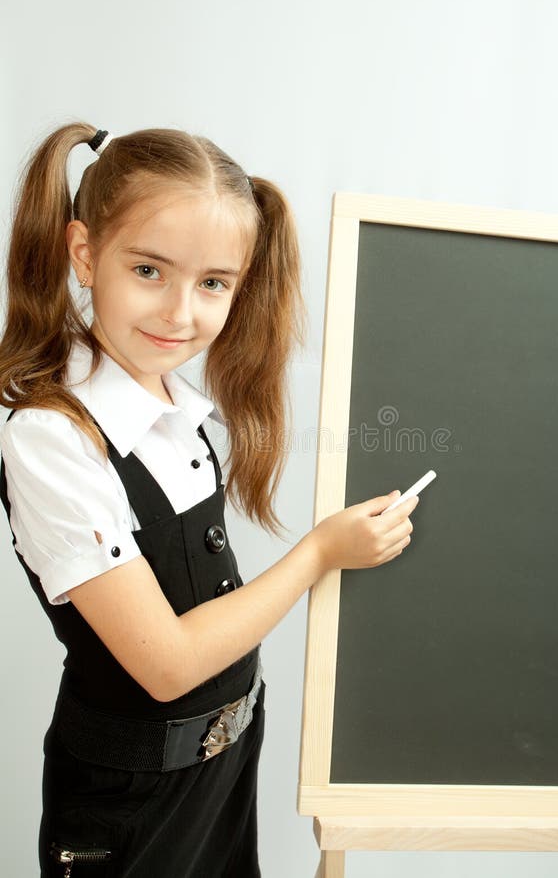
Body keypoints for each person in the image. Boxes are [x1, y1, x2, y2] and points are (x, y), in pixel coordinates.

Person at [0, 122, 418, 877]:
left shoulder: (176, 406)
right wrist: (320, 553)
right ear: (85, 254)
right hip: (132, 801)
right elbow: (166, 665)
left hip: (219, 770)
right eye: (150, 270)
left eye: (213, 284)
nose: (180, 314)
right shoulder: (52, 438)